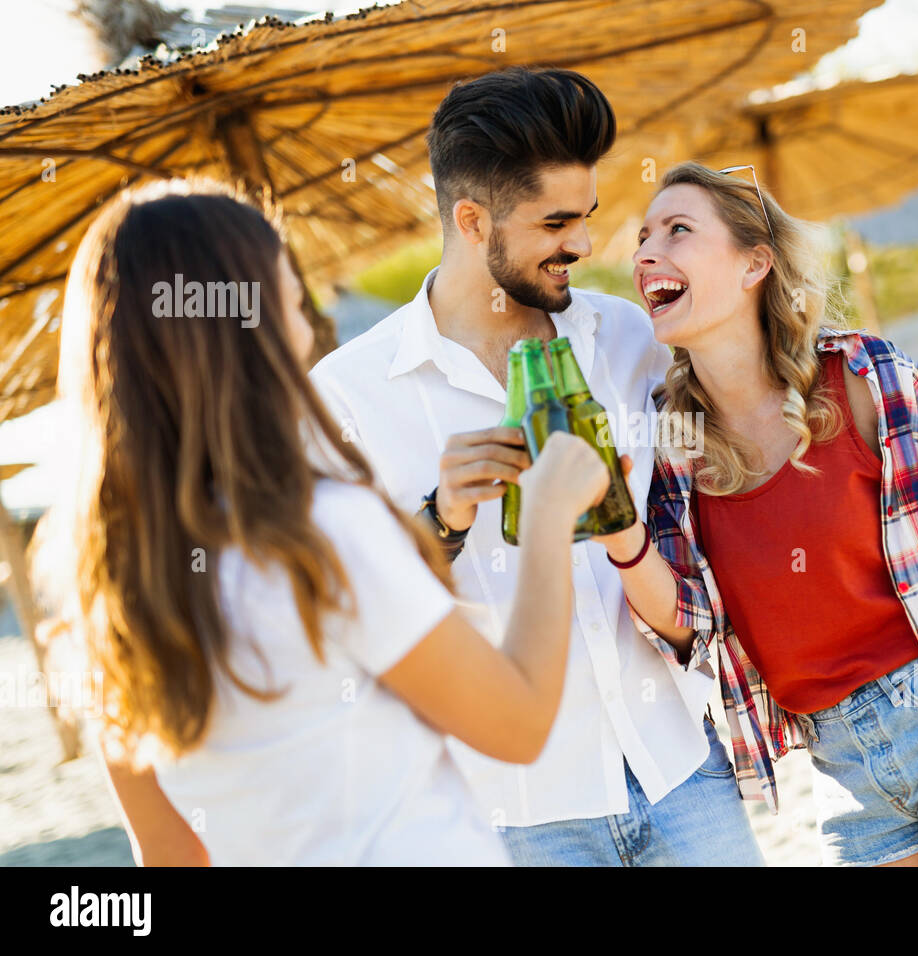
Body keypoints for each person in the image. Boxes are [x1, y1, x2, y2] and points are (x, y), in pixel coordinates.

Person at [33, 177, 612, 866]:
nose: (305, 320)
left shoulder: (109, 588)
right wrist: (547, 515)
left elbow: (168, 855)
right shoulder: (322, 533)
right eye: (289, 289)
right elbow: (516, 726)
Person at [309, 67, 766, 866]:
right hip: (517, 818)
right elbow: (336, 615)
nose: (585, 246)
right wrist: (439, 520)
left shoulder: (629, 337)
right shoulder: (346, 399)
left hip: (680, 770)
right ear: (472, 218)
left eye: (586, 217)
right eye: (557, 222)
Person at [602, 160, 918, 867]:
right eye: (643, 238)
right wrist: (617, 530)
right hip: (838, 773)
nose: (646, 253)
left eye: (678, 230)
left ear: (755, 264)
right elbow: (689, 622)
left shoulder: (866, 376)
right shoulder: (673, 441)